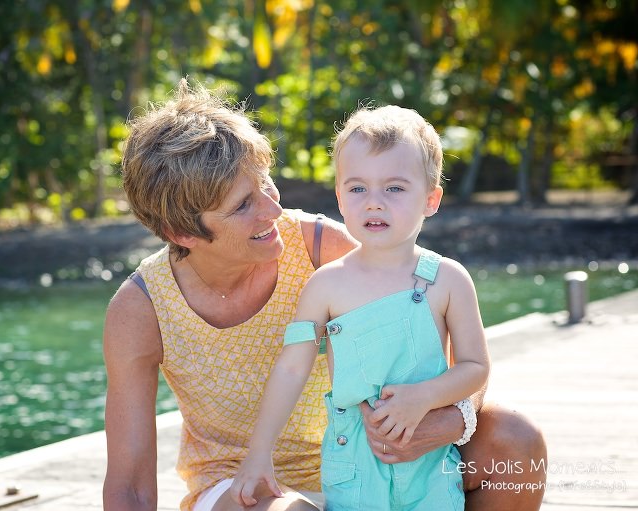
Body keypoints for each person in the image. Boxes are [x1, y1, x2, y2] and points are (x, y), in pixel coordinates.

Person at [103, 78, 547, 511]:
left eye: (266, 184)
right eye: (243, 204)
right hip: (242, 486)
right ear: (182, 232)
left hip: (370, 461)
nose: (274, 210)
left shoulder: (322, 248)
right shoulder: (142, 308)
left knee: (517, 443)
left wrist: (450, 421)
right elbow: (131, 490)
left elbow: (453, 363)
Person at [230, 105, 489, 510]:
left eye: (395, 188)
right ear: (339, 196)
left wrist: (423, 397)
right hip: (352, 457)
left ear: (431, 199)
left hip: (429, 460)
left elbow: (475, 368)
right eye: (357, 188)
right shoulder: (325, 285)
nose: (373, 203)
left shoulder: (448, 279)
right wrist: (259, 452)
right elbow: (292, 367)